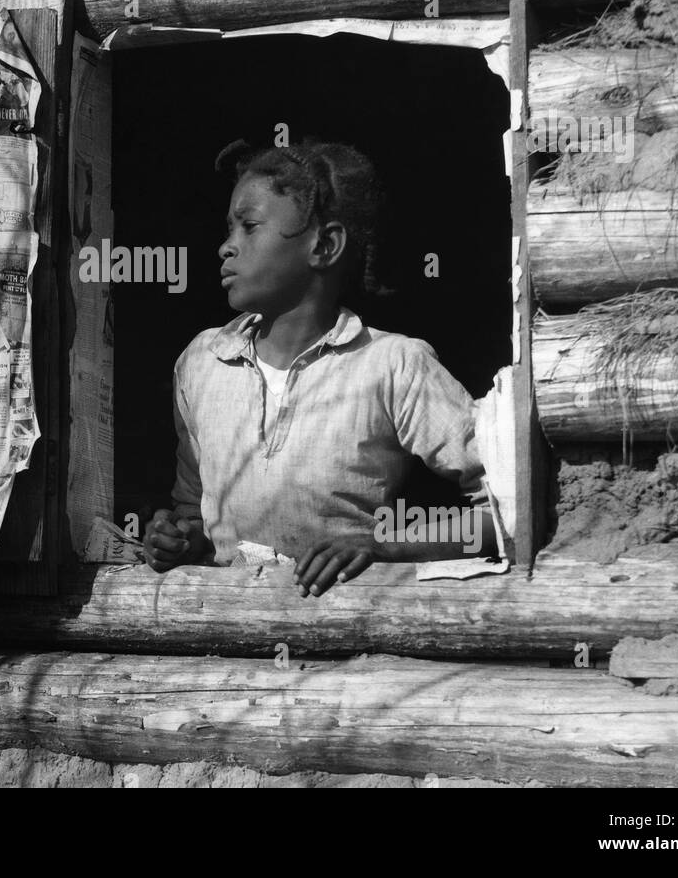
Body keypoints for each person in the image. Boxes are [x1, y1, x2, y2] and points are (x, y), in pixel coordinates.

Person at [142, 140, 499, 596]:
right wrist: (178, 540)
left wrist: (385, 542)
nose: (226, 248)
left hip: (343, 636)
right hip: (229, 640)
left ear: (325, 245)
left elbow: (504, 508)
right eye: (229, 229)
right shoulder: (202, 362)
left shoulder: (392, 365)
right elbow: (195, 512)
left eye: (249, 227)